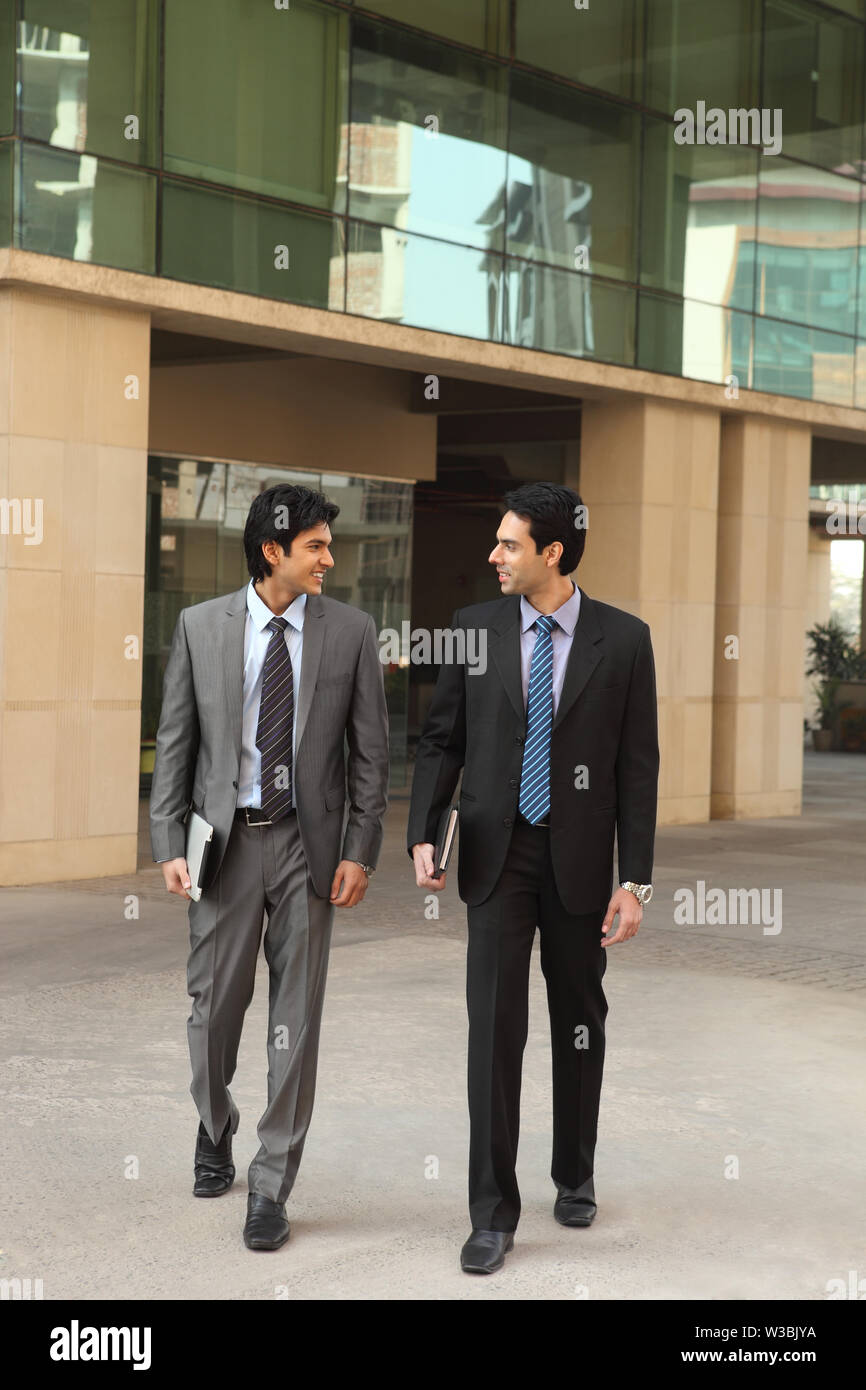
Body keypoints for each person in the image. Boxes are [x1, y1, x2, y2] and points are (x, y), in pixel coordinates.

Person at [408, 482, 659, 1274]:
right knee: (494, 1029)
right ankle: (492, 1212)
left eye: (508, 544)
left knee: (580, 1020)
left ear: (552, 553)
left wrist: (636, 880)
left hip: (582, 861)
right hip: (496, 853)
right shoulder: (472, 629)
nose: (493, 556)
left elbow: (638, 768)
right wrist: (423, 829)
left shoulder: (623, 639)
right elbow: (441, 739)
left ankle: (574, 1173)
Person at [150, 483, 388, 1251]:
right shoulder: (200, 626)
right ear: (272, 551)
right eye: (316, 546)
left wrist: (359, 847)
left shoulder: (350, 631)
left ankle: (271, 1184)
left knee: (297, 1020)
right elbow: (177, 742)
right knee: (213, 1009)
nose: (329, 559)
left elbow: (370, 755)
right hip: (224, 844)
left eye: (330, 545)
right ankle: (213, 1124)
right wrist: (168, 844)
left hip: (305, 848)